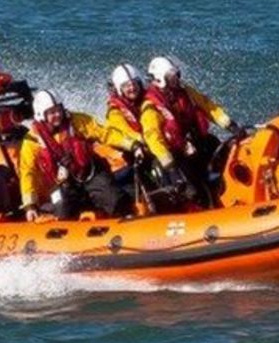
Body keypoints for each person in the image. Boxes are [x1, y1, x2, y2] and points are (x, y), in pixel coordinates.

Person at [19, 89, 145, 222]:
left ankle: (110, 211)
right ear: (41, 115)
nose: (58, 114)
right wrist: (30, 205)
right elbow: (28, 172)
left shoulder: (77, 121)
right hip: (63, 184)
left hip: (90, 174)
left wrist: (132, 145)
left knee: (116, 201)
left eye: (59, 109)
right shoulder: (32, 140)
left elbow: (105, 134)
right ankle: (49, 210)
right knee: (63, 213)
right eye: (52, 112)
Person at [141, 56, 244, 207]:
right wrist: (170, 166)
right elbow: (153, 139)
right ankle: (203, 207)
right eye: (171, 77)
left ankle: (235, 194)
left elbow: (209, 107)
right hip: (175, 155)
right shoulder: (150, 107)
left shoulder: (187, 92)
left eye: (176, 75)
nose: (176, 79)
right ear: (160, 79)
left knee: (227, 155)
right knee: (193, 191)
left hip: (197, 143)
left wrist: (231, 126)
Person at [105, 63, 145, 144]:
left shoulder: (146, 99)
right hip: (126, 145)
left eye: (134, 83)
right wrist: (143, 139)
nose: (132, 88)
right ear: (119, 89)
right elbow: (126, 131)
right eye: (127, 86)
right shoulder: (114, 111)